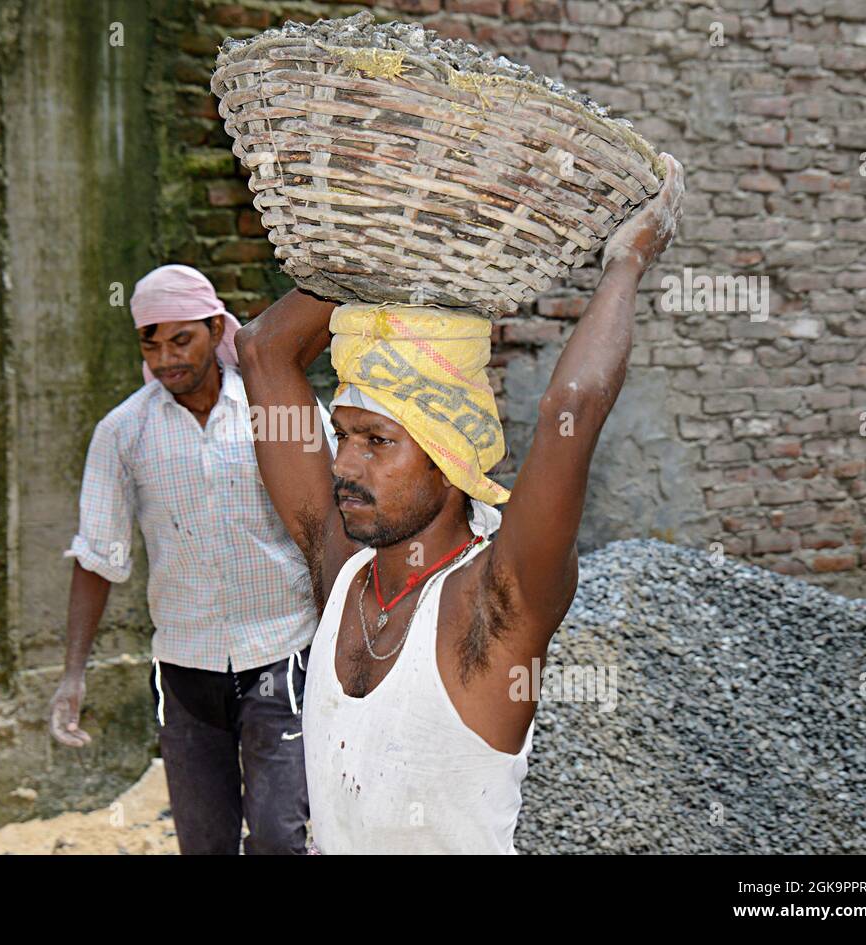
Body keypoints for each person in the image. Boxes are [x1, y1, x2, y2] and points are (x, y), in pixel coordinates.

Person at [233, 156, 687, 853]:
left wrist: (626, 261)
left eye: (378, 441)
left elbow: (574, 404)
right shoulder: (344, 564)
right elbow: (263, 350)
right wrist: (382, 243)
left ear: (451, 461)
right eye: (342, 437)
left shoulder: (496, 602)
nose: (346, 466)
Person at [51, 264, 336, 855]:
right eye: (150, 344)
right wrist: (72, 676)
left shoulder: (276, 411)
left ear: (215, 328)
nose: (165, 359)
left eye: (181, 339)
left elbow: (335, 521)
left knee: (281, 837)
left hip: (281, 656)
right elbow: (96, 557)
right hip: (184, 670)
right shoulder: (123, 433)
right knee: (204, 844)